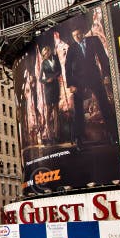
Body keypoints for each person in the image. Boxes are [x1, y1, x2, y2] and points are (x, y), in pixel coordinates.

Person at [64, 16, 115, 147]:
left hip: (94, 77)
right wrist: (70, 85)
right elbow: (67, 67)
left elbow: (103, 58)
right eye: (74, 35)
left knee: (104, 104)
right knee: (79, 111)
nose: (77, 37)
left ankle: (113, 134)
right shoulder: (72, 48)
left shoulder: (94, 40)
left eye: (79, 34)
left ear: (82, 33)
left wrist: (106, 75)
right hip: (78, 81)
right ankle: (78, 138)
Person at [39, 43, 62, 143]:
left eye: (47, 52)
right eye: (44, 54)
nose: (46, 54)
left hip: (56, 85)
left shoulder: (55, 58)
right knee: (48, 111)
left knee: (56, 109)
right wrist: (47, 80)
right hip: (48, 88)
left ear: (49, 51)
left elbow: (60, 70)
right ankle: (50, 135)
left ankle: (57, 135)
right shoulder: (43, 63)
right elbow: (40, 79)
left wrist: (54, 76)